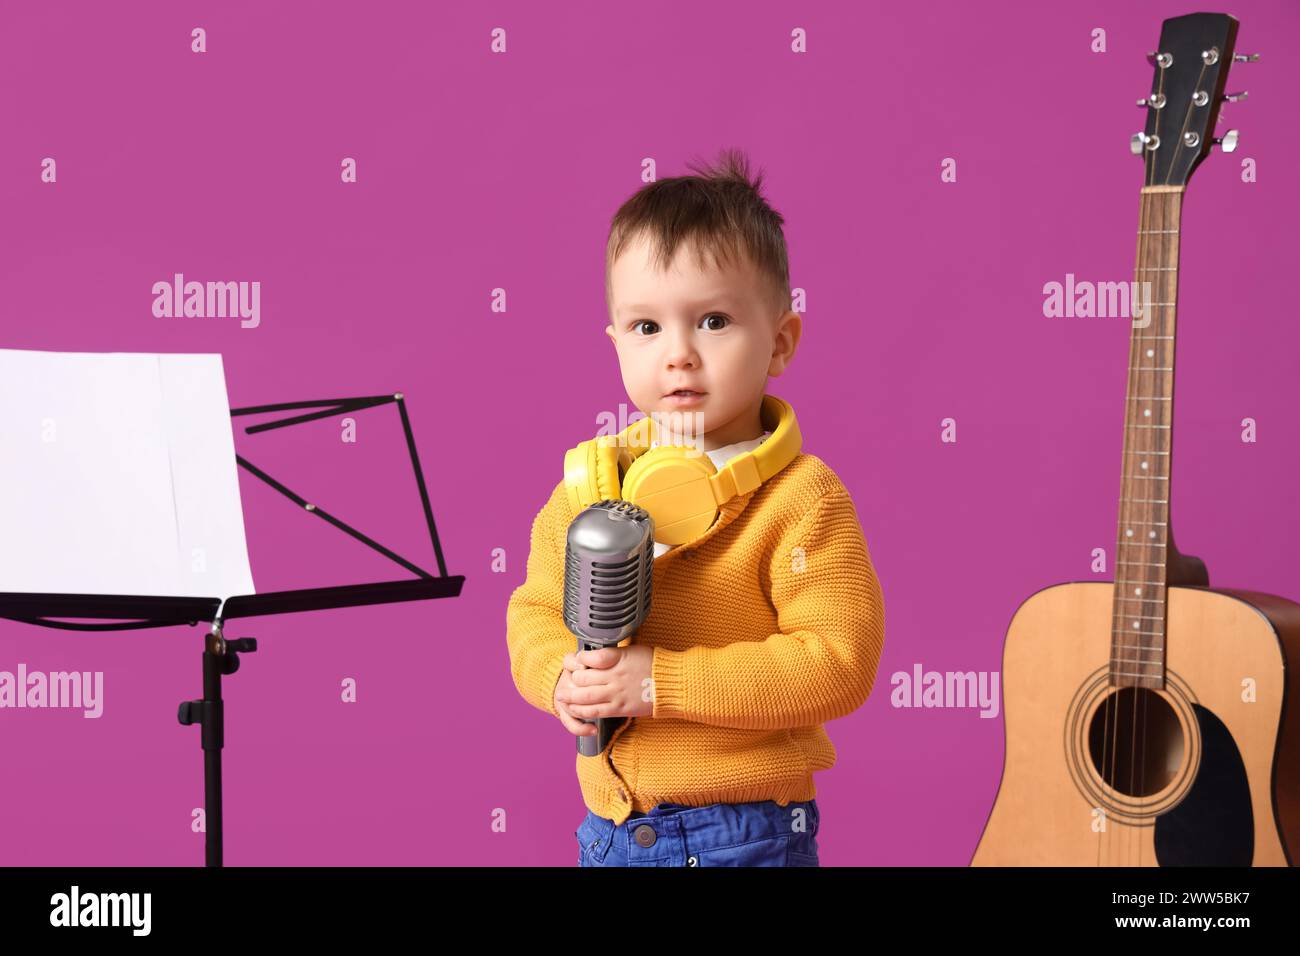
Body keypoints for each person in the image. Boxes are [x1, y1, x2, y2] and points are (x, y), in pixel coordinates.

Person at [505, 148, 885, 866]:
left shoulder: (803, 499)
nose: (678, 354)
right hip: (612, 831)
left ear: (780, 341)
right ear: (616, 343)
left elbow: (836, 663)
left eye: (712, 321)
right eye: (647, 328)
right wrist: (559, 675)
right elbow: (534, 612)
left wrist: (658, 682)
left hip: (745, 832)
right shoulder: (592, 488)